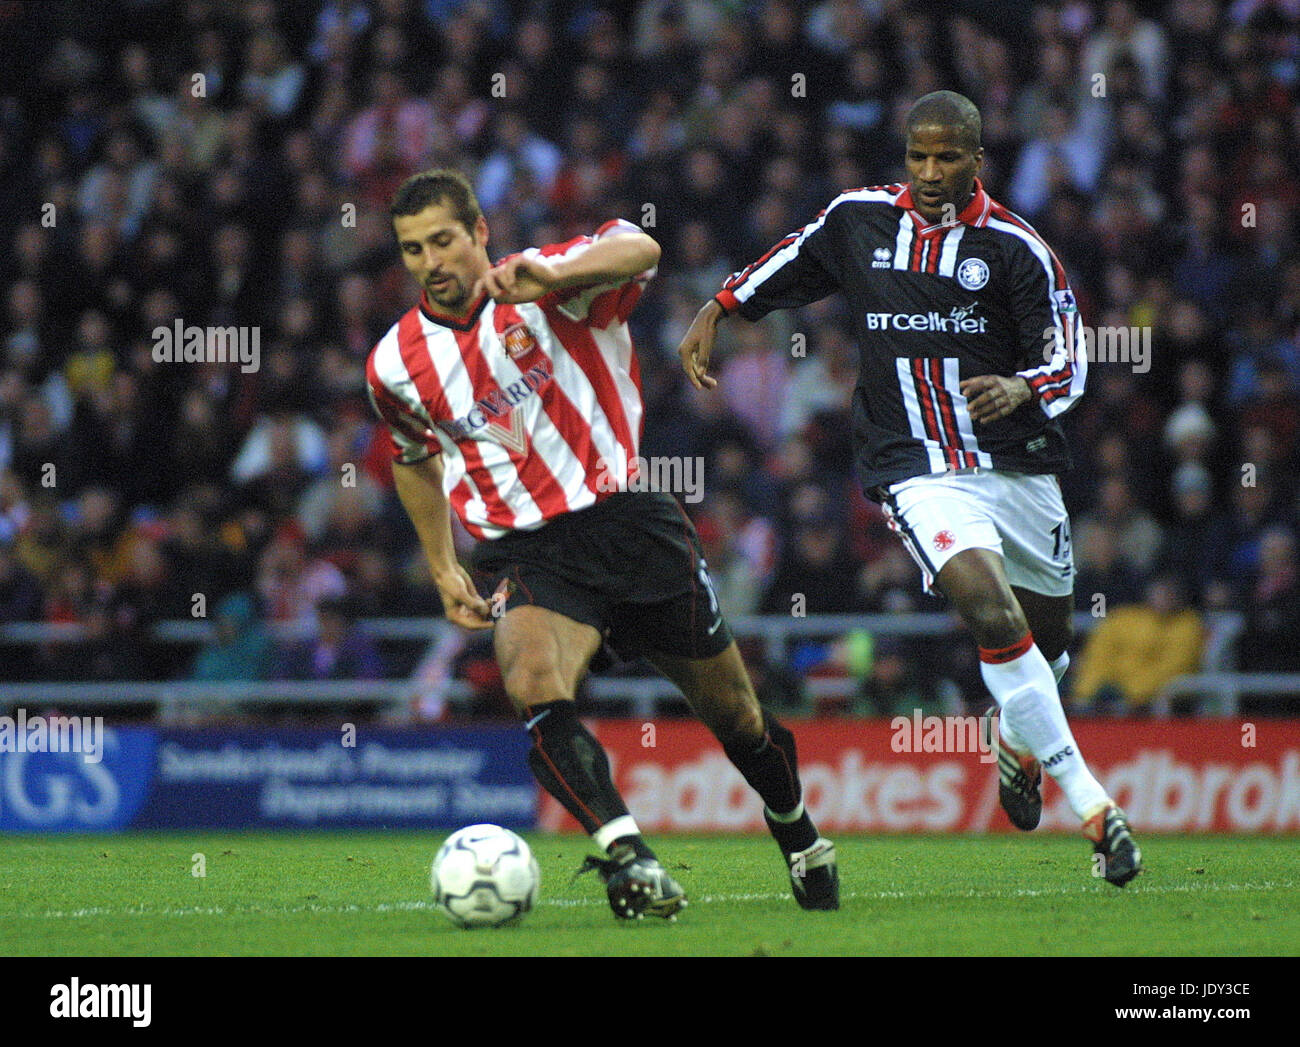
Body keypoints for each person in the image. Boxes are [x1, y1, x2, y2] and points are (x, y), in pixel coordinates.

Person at [678, 91, 1143, 886]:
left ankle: (1016, 733)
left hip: (1016, 467)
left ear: (977, 159)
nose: (930, 173)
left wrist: (1025, 388)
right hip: (916, 468)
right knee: (989, 612)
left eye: (947, 157)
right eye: (917, 156)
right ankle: (1097, 808)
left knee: (1050, 645)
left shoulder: (1016, 249)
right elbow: (792, 258)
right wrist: (721, 305)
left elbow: (1070, 359)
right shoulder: (859, 220)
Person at [366, 169, 838, 919]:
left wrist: (551, 270)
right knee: (527, 674)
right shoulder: (394, 363)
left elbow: (640, 248)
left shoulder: (550, 284)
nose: (431, 261)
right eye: (413, 248)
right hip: (528, 553)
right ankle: (630, 856)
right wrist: (441, 563)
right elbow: (413, 455)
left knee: (739, 719)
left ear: (481, 231)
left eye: (444, 240)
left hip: (628, 526)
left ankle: (799, 831)